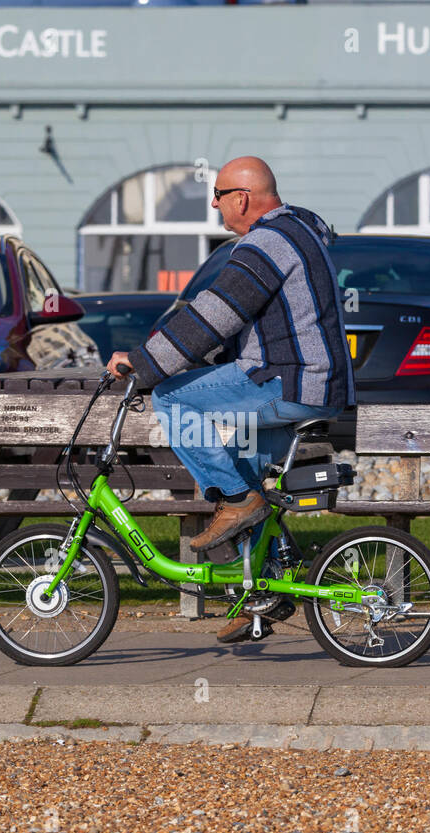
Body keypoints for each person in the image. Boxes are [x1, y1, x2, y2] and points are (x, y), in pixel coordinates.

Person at [105, 156, 354, 643]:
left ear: (241, 197)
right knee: (248, 474)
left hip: (290, 382)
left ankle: (237, 502)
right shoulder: (297, 232)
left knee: (175, 399)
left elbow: (214, 315)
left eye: (217, 195)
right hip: (308, 383)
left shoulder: (267, 242)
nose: (215, 205)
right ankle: (269, 589)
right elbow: (242, 324)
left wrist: (144, 361)